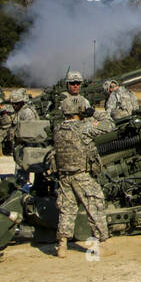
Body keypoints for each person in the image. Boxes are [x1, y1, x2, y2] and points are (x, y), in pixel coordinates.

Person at [45, 95, 108, 258]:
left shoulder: (58, 129)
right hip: (82, 176)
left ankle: (62, 245)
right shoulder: (84, 127)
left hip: (64, 177)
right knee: (95, 205)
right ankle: (100, 244)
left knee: (67, 210)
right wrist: (94, 113)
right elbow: (109, 125)